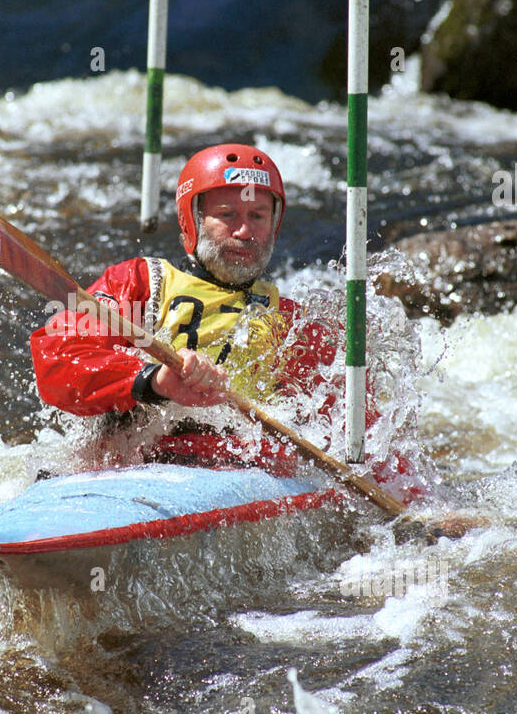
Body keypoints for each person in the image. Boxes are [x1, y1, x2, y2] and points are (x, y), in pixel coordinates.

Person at [29, 143, 416, 491]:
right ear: (191, 221)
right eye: (227, 214)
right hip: (131, 464)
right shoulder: (138, 282)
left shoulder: (293, 324)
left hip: (236, 475)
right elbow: (58, 360)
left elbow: (357, 431)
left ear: (275, 225)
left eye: (258, 216)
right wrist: (152, 380)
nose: (245, 231)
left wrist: (419, 504)